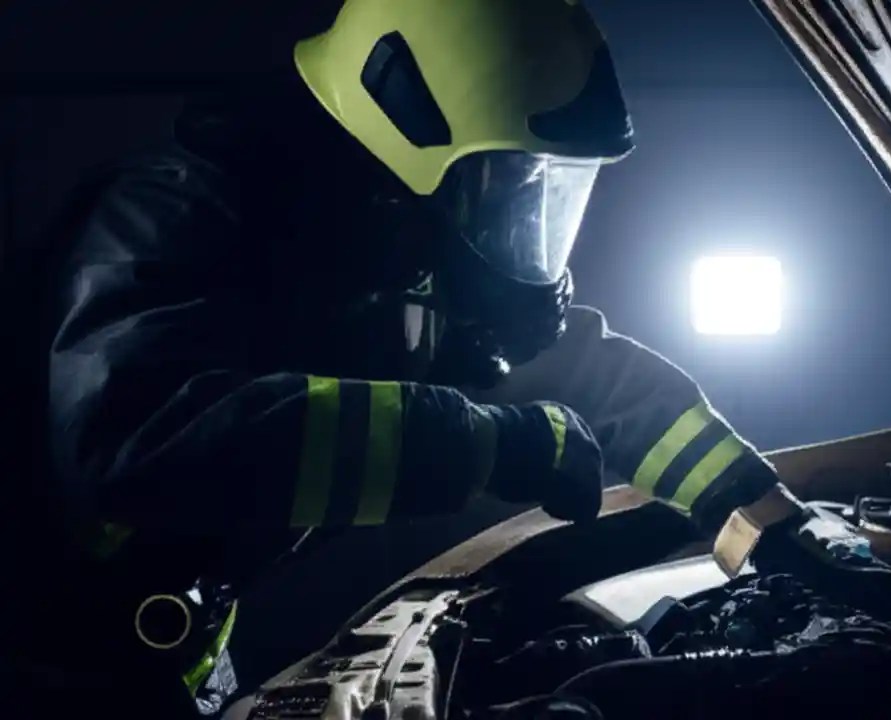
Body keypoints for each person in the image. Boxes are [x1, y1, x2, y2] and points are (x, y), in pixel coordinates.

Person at [12, 0, 830, 716]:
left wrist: (775, 523)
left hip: (152, 663)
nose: (524, 212)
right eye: (510, 182)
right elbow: (134, 441)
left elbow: (586, 376)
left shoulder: (394, 244)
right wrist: (484, 442)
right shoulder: (172, 211)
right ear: (409, 124)